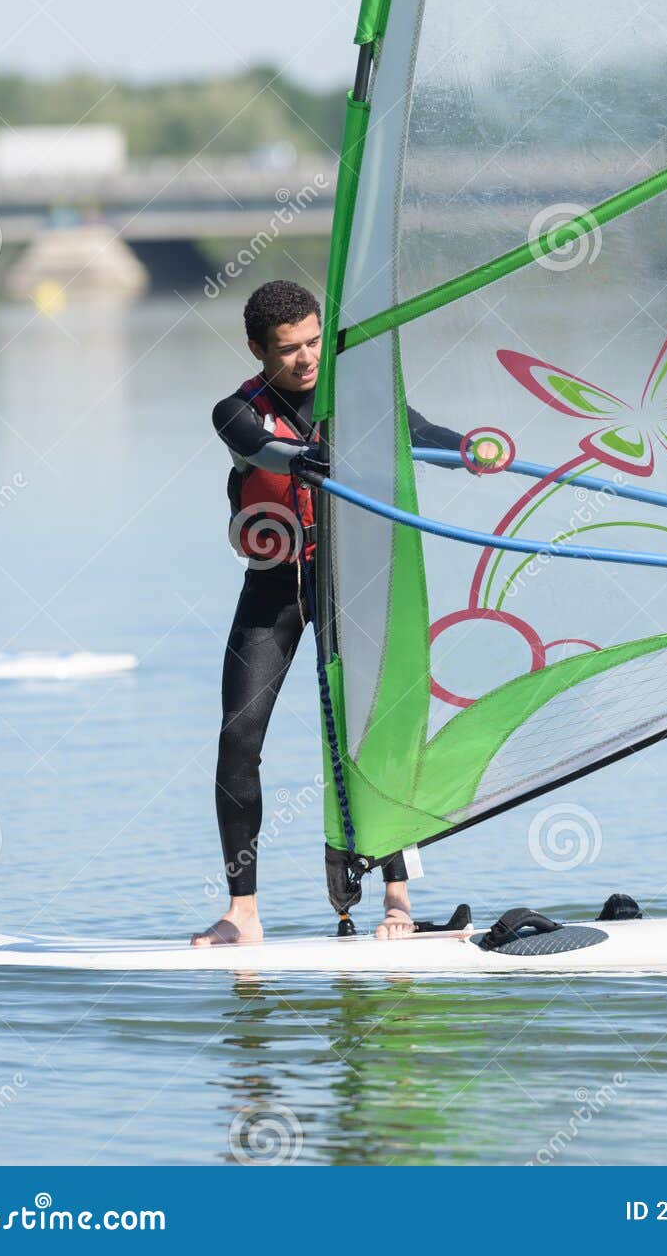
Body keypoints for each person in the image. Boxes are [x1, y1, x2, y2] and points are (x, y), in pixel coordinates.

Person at [192, 279, 470, 947]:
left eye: (315, 342)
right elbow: (266, 453)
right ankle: (244, 914)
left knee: (373, 733)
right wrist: (319, 455)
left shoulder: (360, 397)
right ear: (258, 348)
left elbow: (419, 433)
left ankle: (397, 900)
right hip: (276, 590)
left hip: (355, 585)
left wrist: (468, 449)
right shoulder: (236, 411)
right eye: (289, 350)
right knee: (238, 738)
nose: (307, 358)